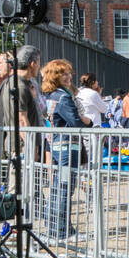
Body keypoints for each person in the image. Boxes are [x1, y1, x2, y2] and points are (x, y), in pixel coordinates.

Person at [39, 59, 90, 242]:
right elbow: (76, 122)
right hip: (68, 146)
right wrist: (88, 122)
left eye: (69, 73)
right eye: (63, 73)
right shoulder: (63, 97)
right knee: (64, 189)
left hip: (57, 146)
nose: (69, 77)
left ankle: (57, 228)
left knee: (58, 189)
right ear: (55, 76)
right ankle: (62, 232)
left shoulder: (51, 95)